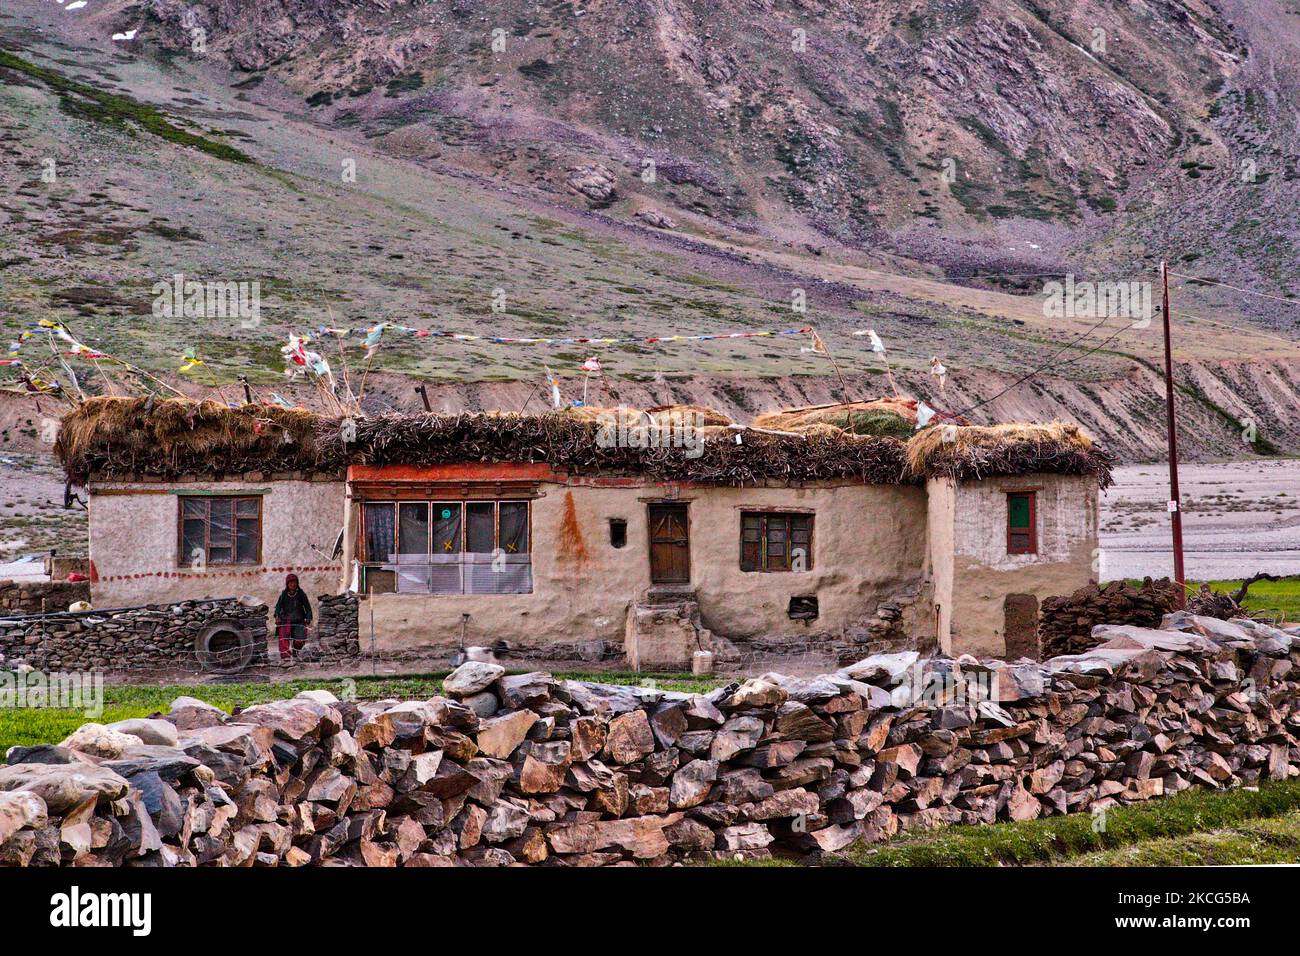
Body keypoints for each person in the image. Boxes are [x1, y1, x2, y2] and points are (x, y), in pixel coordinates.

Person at [274, 573, 312, 660]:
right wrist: (277, 616)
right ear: (287, 584)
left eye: (294, 582)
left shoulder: (301, 594)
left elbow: (307, 607)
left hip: (299, 620)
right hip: (285, 620)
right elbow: (278, 607)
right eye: (290, 582)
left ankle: (295, 651)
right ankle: (286, 656)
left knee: (300, 640)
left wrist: (308, 618)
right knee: (284, 638)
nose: (292, 584)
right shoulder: (283, 595)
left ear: (297, 583)